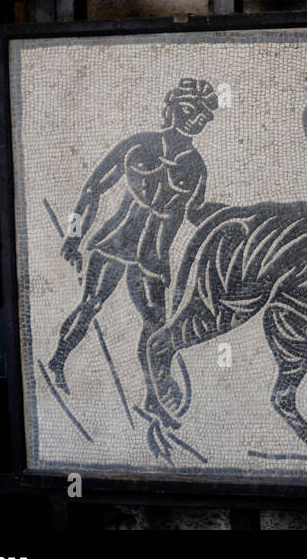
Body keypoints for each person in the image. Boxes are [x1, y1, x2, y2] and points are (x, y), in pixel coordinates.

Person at [47, 78, 220, 398]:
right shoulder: (138, 145)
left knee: (157, 324)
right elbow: (92, 187)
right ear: (172, 109)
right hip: (114, 243)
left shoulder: (196, 167)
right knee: (89, 305)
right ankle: (57, 362)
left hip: (153, 259)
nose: (196, 119)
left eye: (204, 115)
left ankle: (154, 391)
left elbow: (196, 214)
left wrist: (229, 218)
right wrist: (74, 236)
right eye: (190, 109)